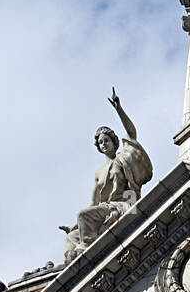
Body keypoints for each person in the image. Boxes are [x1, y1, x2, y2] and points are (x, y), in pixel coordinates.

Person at [60, 88, 152, 263]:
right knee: (71, 237)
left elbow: (132, 134)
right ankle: (74, 258)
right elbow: (94, 203)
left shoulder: (122, 159)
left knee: (83, 216)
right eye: (100, 142)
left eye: (106, 140)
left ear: (114, 142)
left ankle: (85, 254)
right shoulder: (99, 172)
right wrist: (74, 227)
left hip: (119, 205)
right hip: (103, 208)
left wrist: (119, 109)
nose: (103, 144)